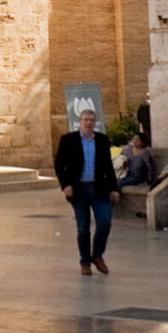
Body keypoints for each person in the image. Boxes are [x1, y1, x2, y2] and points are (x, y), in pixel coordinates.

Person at [54, 108, 120, 274]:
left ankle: (97, 255)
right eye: (85, 120)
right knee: (83, 228)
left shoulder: (102, 140)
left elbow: (108, 166)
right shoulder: (68, 139)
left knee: (105, 221)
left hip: (99, 188)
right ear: (80, 122)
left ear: (95, 122)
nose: (88, 123)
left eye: (91, 120)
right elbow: (59, 164)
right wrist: (66, 185)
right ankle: (85, 262)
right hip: (79, 189)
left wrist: (114, 188)